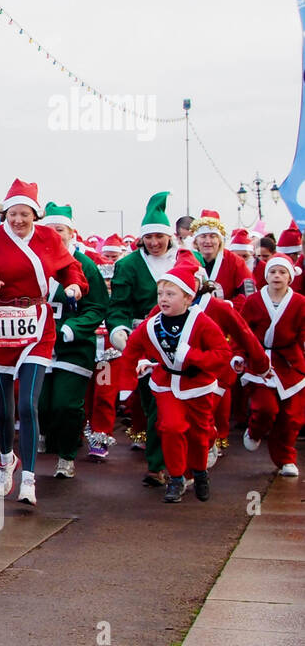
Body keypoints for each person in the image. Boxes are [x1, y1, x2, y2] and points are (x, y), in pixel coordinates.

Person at [0, 180, 87, 506]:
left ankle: (29, 480)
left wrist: (74, 285)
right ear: (4, 214)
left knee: (27, 405)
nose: (18, 220)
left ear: (35, 215)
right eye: (12, 214)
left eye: (24, 214)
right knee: (6, 409)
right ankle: (7, 459)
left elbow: (69, 266)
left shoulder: (48, 238)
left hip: (36, 324)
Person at [122, 252, 233, 503]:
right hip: (166, 384)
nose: (163, 299)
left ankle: (200, 472)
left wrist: (193, 355)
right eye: (160, 294)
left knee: (199, 432)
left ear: (187, 297)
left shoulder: (201, 322)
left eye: (170, 294)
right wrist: (138, 365)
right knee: (170, 428)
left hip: (198, 386)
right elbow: (132, 349)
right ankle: (175, 478)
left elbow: (222, 354)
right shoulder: (152, 324)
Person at [105, 192, 180, 485]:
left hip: (182, 338)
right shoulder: (129, 265)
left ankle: (188, 458)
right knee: (154, 402)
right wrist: (119, 330)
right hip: (146, 340)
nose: (154, 243)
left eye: (159, 236)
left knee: (184, 401)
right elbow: (119, 306)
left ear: (169, 237)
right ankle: (157, 465)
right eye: (149, 237)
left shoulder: (186, 260)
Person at [37, 203, 109, 478]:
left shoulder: (85, 265)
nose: (54, 235)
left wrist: (72, 328)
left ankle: (66, 457)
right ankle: (46, 432)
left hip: (73, 347)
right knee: (39, 405)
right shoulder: (34, 261)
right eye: (48, 230)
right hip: (39, 344)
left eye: (60, 230)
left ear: (71, 232)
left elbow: (97, 306)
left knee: (66, 405)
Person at [239, 253, 305, 477]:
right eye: (273, 272)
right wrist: (238, 356)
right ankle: (254, 431)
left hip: (290, 362)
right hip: (261, 360)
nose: (277, 276)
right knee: (266, 408)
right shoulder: (253, 301)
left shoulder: (299, 302)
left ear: (290, 277)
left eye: (282, 272)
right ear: (266, 276)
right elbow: (242, 332)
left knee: (292, 416)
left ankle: (286, 458)